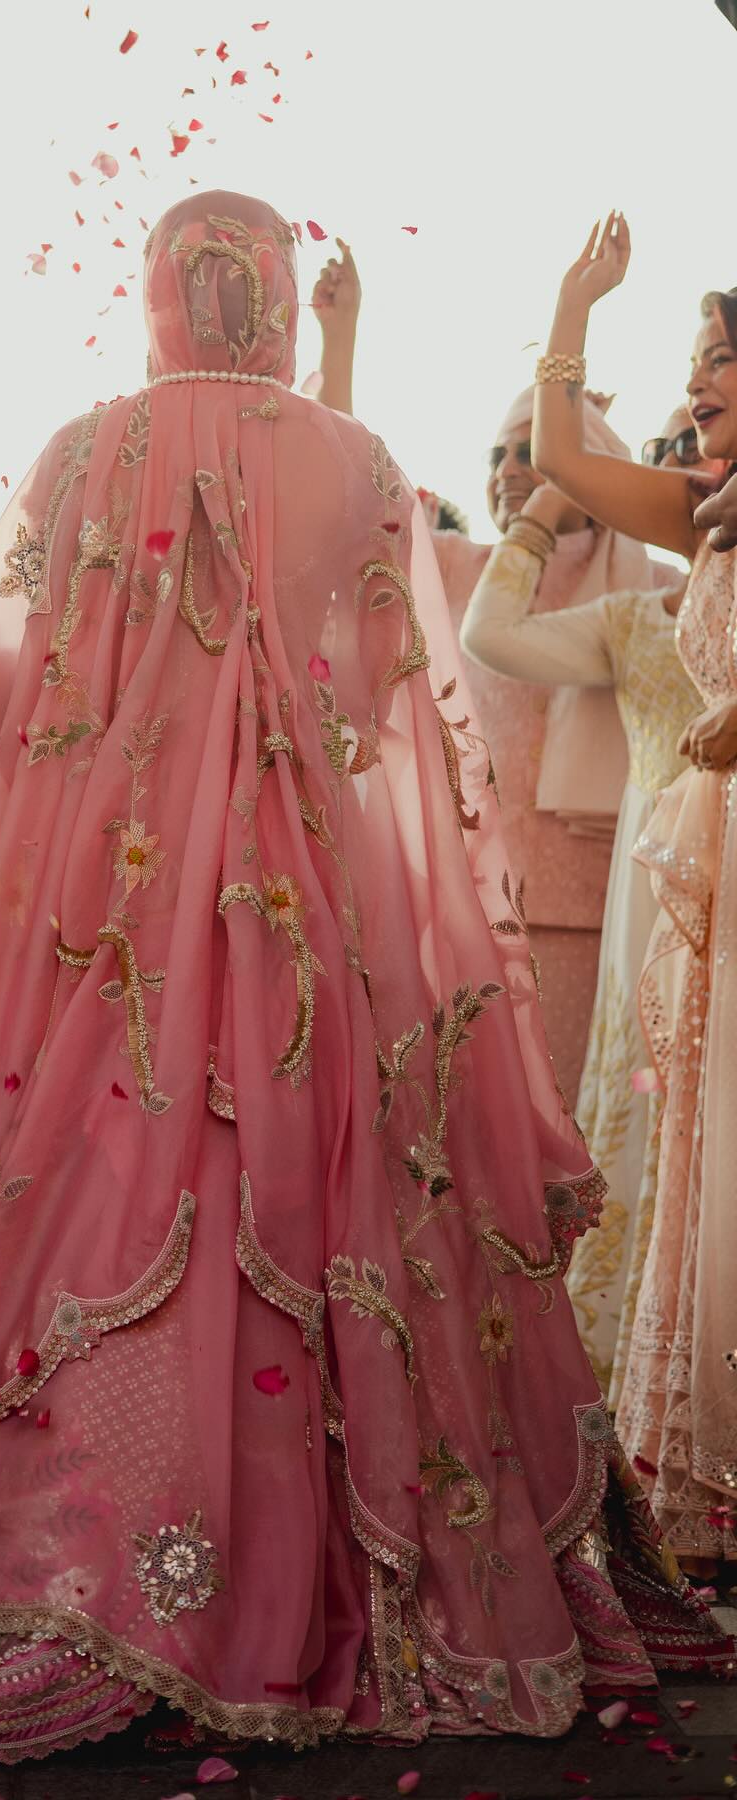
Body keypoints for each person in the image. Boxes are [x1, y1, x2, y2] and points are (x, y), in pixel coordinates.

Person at [0, 190, 729, 1770]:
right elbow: (391, 698)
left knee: (105, 1168)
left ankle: (77, 1586)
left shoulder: (80, 447)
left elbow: (9, 682)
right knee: (344, 1180)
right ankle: (375, 1571)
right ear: (287, 299)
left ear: (159, 292)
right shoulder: (358, 461)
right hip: (318, 879)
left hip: (112, 882)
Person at [313, 254, 679, 1100]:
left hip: (607, 918)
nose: (511, 470)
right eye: (497, 454)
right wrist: (340, 339)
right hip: (461, 907)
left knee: (577, 1143)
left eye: (533, 452)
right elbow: (349, 510)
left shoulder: (656, 590)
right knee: (464, 1145)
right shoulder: (462, 573)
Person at [531, 217, 737, 1574]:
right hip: (708, 853)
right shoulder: (707, 516)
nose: (697, 381)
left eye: (718, 359)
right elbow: (557, 462)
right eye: (697, 362)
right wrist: (572, 309)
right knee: (704, 1147)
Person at [461, 412, 712, 1403]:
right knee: (644, 1122)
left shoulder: (648, 598)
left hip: (673, 895)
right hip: (643, 902)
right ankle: (648, 1392)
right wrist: (538, 521)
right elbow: (489, 634)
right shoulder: (642, 619)